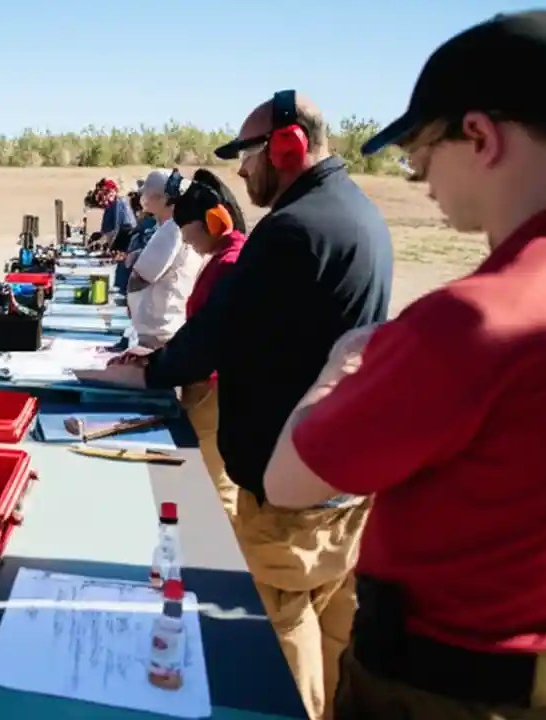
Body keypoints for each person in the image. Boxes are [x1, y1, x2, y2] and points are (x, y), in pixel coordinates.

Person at [263, 10, 546, 718]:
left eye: (420, 153)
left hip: (440, 690)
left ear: (479, 136)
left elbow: (289, 481)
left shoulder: (474, 322)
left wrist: (338, 370)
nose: (423, 181)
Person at [76, 90, 394, 719]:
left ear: (287, 146)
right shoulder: (360, 214)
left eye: (248, 154)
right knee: (332, 625)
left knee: (280, 637)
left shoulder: (292, 229)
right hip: (346, 480)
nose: (242, 171)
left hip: (289, 486)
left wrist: (152, 369)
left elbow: (218, 332)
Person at [169, 168, 248, 517]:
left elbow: (210, 335)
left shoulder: (229, 265)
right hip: (206, 387)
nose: (188, 245)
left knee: (217, 488)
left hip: (212, 391)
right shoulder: (222, 259)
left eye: (190, 236)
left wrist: (160, 365)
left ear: (215, 221)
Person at [124, 168, 201, 349]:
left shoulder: (172, 229)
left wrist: (133, 287)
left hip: (160, 331)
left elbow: (142, 276)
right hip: (164, 327)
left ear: (162, 198)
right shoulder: (171, 227)